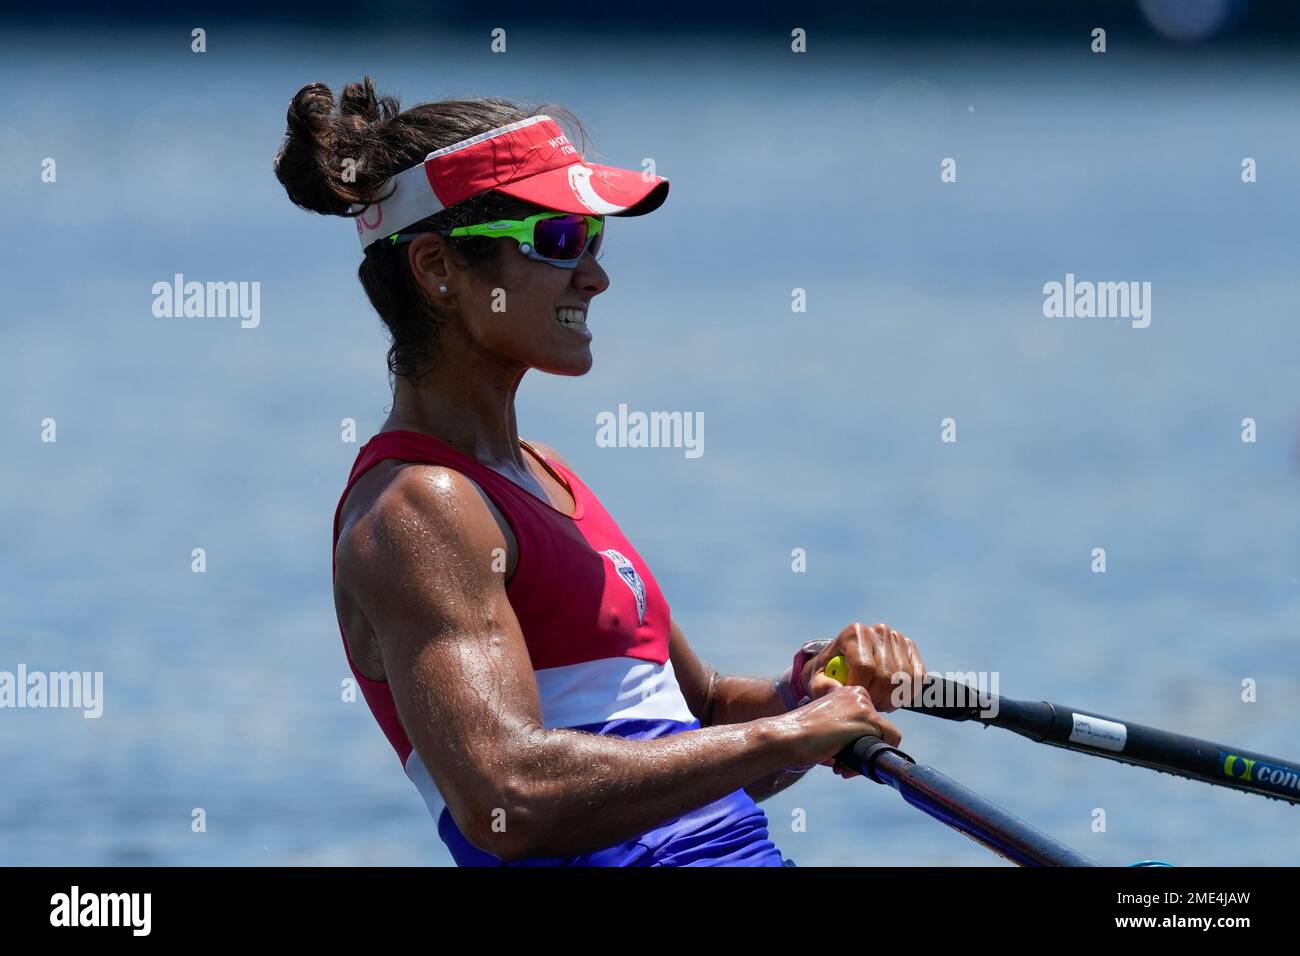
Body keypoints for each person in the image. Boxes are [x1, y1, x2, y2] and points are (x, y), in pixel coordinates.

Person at [274, 77, 928, 866]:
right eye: (556, 240)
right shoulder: (418, 508)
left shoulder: (545, 477)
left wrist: (811, 694)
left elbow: (704, 717)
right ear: (436, 267)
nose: (594, 275)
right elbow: (507, 796)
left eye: (594, 239)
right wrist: (781, 737)